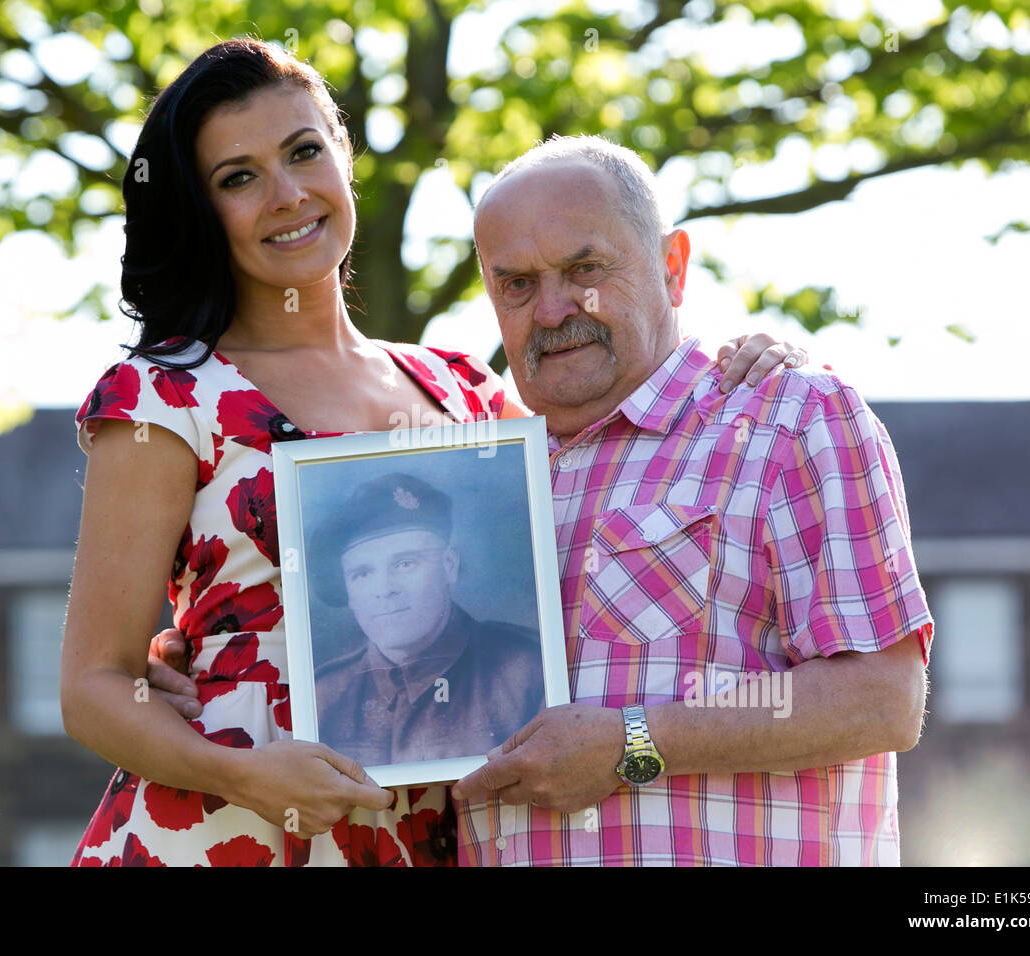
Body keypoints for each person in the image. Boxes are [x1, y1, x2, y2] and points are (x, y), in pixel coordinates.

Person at [65, 37, 801, 868]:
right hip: (224, 830)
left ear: (344, 161)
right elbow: (94, 686)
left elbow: (621, 441)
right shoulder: (162, 397)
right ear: (205, 210)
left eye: (304, 153)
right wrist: (242, 772)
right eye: (238, 177)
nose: (286, 194)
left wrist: (745, 362)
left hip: (430, 837)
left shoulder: (463, 391)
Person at [444, 135, 934, 865]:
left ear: (672, 267)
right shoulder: (481, 484)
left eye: (585, 270)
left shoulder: (788, 418)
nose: (550, 310)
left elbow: (882, 699)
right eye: (515, 283)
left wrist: (632, 744)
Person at [309, 473, 544, 768]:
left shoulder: (528, 671)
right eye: (363, 574)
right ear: (349, 592)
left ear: (449, 566)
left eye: (405, 564)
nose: (385, 589)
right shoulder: (324, 695)